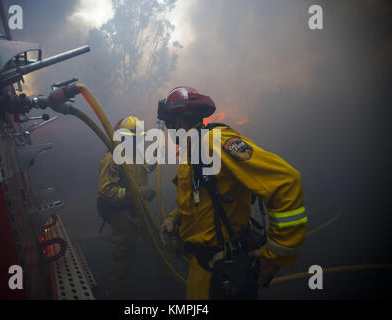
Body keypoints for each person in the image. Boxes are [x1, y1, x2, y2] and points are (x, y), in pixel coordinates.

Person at [158, 86, 307, 299]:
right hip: (202, 270)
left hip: (221, 276)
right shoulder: (193, 151)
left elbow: (286, 181)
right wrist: (176, 218)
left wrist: (275, 254)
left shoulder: (214, 141)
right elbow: (203, 200)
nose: (169, 130)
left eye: (170, 122)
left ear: (183, 118)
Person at [97, 115, 157, 299]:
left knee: (158, 244)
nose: (139, 141)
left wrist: (155, 156)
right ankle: (113, 294)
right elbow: (106, 191)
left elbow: (144, 168)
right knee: (122, 260)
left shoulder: (134, 154)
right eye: (135, 137)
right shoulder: (112, 159)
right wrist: (137, 193)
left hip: (140, 213)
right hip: (123, 218)